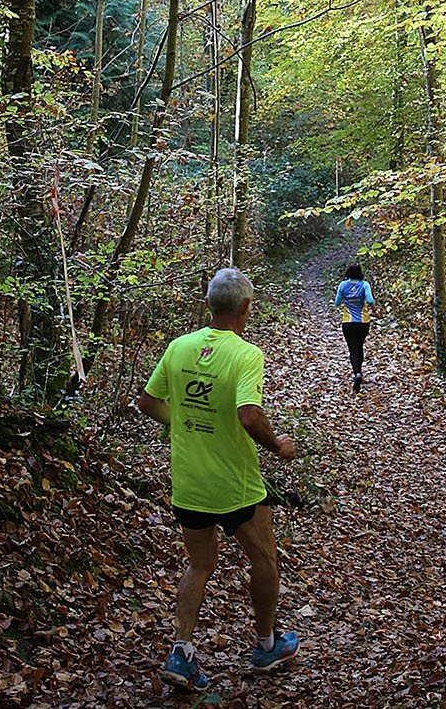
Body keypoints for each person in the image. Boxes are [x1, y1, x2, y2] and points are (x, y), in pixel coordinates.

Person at [137, 267, 300, 691]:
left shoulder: (178, 347)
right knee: (263, 559)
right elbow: (249, 415)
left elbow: (148, 402)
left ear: (209, 304)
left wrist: (185, 421)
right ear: (246, 307)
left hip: (189, 483)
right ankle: (266, 645)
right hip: (236, 485)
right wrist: (277, 446)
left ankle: (181, 652)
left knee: (200, 564)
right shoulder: (246, 354)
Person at [334, 264, 376, 393]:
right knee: (360, 345)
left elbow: (337, 302)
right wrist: (374, 310)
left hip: (348, 322)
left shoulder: (342, 285)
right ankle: (359, 371)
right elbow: (370, 300)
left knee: (353, 348)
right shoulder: (365, 285)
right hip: (363, 322)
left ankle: (357, 373)